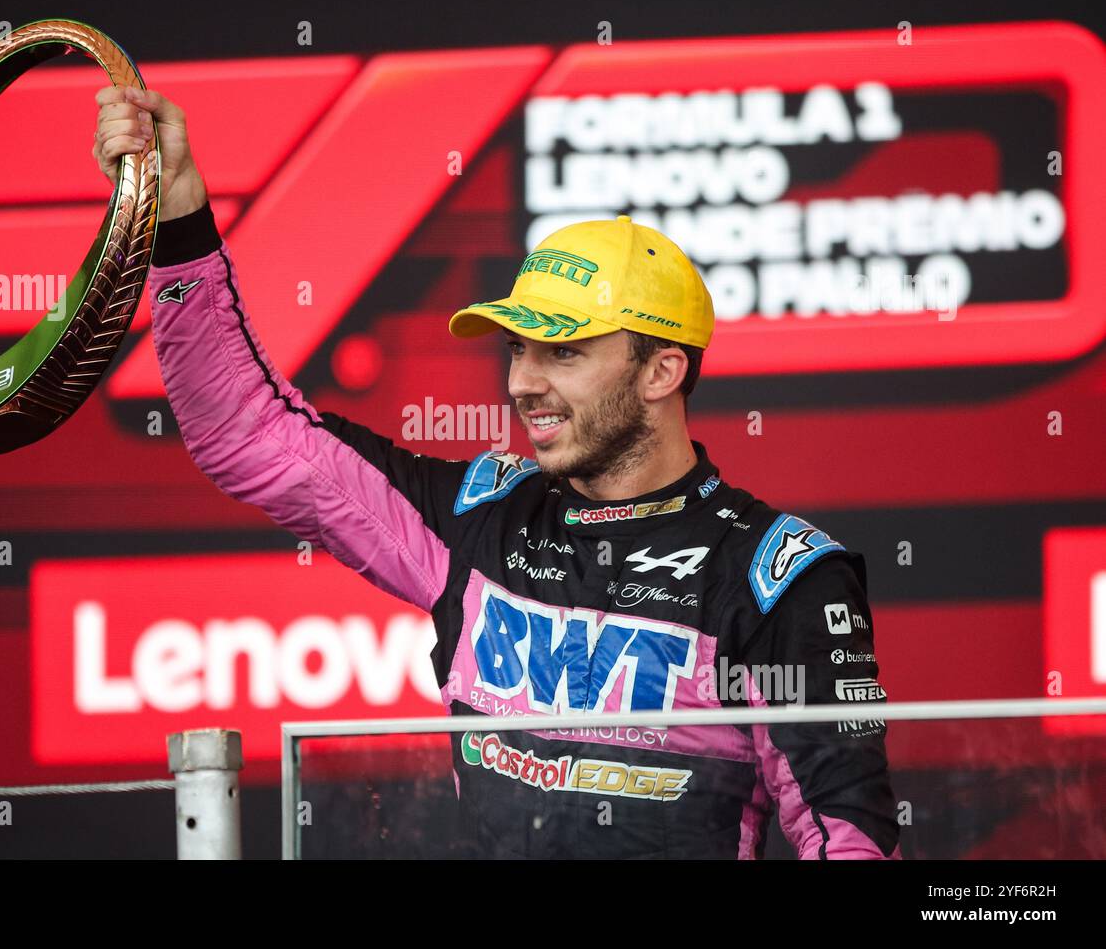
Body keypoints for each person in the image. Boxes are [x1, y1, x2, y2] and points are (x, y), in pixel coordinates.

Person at [93, 85, 902, 859]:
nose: (521, 383)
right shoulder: (479, 518)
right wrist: (180, 223)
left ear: (661, 371)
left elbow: (849, 840)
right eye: (517, 348)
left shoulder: (778, 577)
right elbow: (247, 433)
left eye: (563, 352)